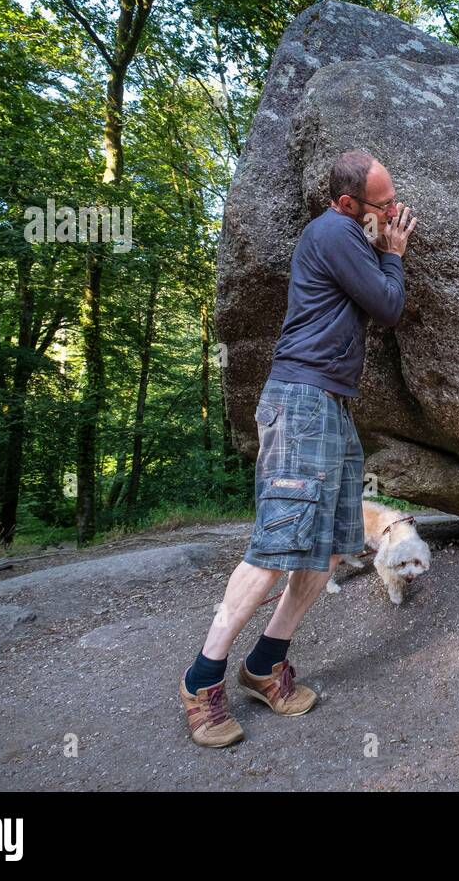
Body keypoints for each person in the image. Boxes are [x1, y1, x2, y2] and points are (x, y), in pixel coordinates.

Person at [180, 148, 416, 747]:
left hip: (331, 406)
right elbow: (388, 307)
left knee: (327, 551)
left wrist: (383, 246)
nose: (394, 211)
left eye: (392, 202)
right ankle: (202, 680)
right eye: (384, 204)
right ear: (347, 204)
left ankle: (264, 665)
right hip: (300, 402)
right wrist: (394, 254)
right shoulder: (335, 231)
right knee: (276, 547)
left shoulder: (350, 234)